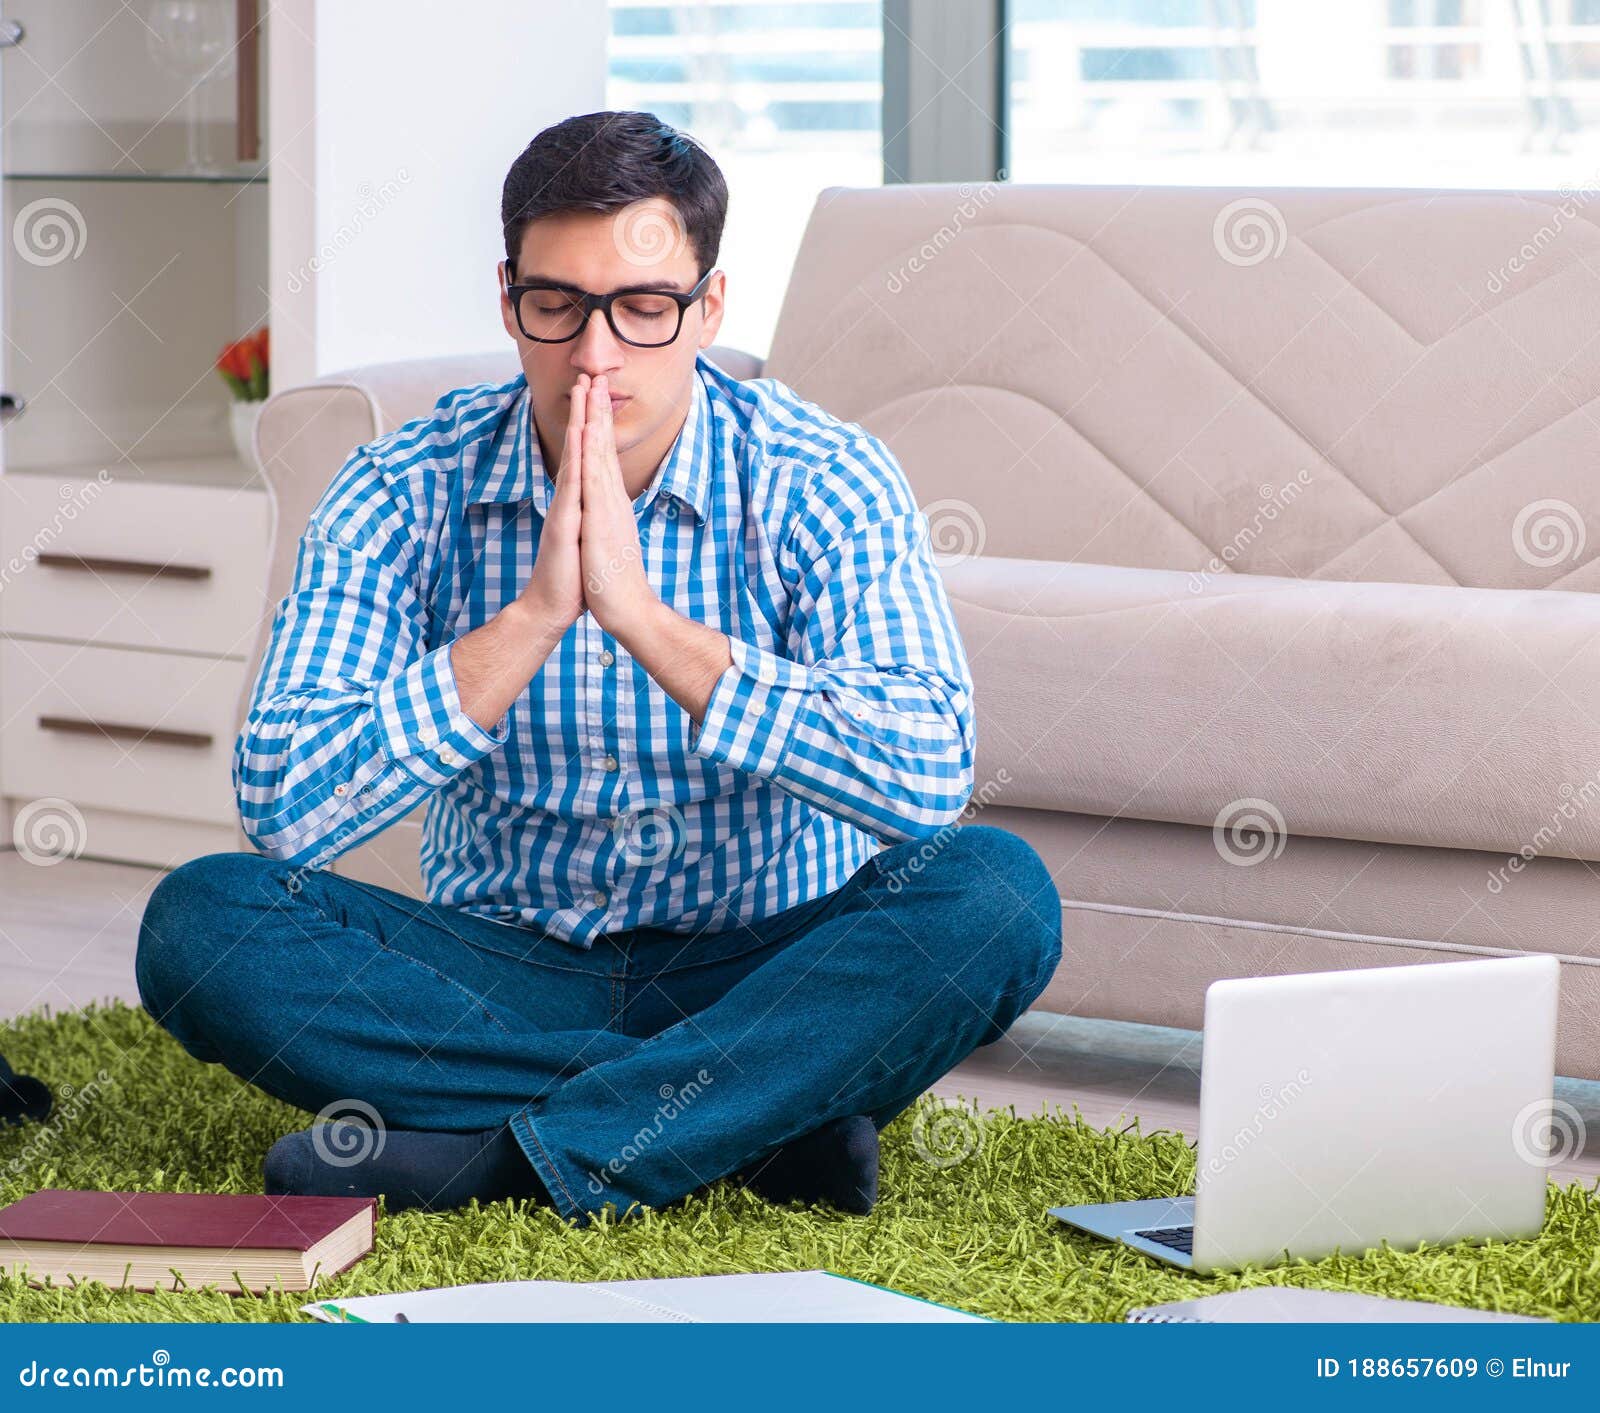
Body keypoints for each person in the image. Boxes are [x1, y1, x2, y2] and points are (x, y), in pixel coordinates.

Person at [134, 111, 1061, 1225]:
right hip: (501, 970)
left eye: (644, 308)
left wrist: (644, 622)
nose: (594, 354)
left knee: (997, 895)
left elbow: (924, 780)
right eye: (556, 305)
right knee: (202, 922)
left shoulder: (822, 476)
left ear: (707, 310)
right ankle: (754, 1131)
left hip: (762, 970)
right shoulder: (402, 486)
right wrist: (533, 617)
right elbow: (284, 804)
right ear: (508, 297)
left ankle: (501, 1157)